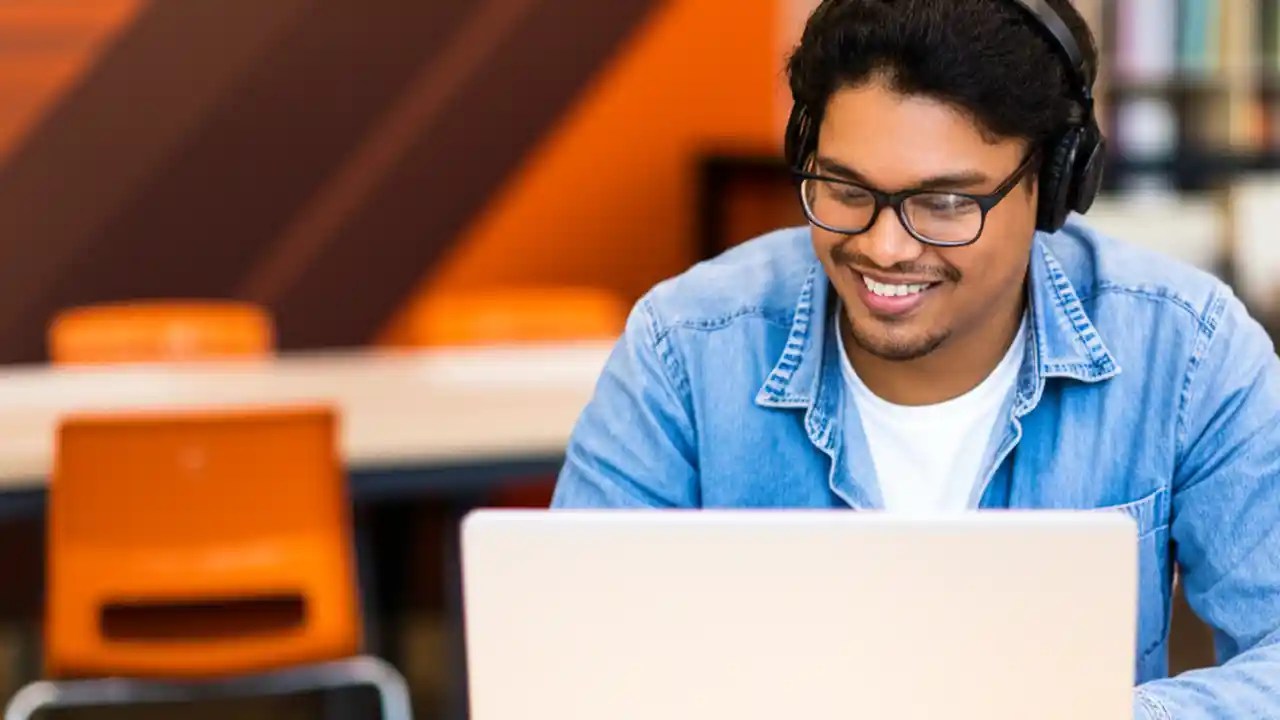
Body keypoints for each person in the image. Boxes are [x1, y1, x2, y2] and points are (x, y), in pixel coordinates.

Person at [552, 0, 1280, 716]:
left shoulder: (1186, 351)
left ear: (1053, 188)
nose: (884, 247)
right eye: (844, 189)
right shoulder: (685, 348)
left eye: (944, 204)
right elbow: (567, 663)